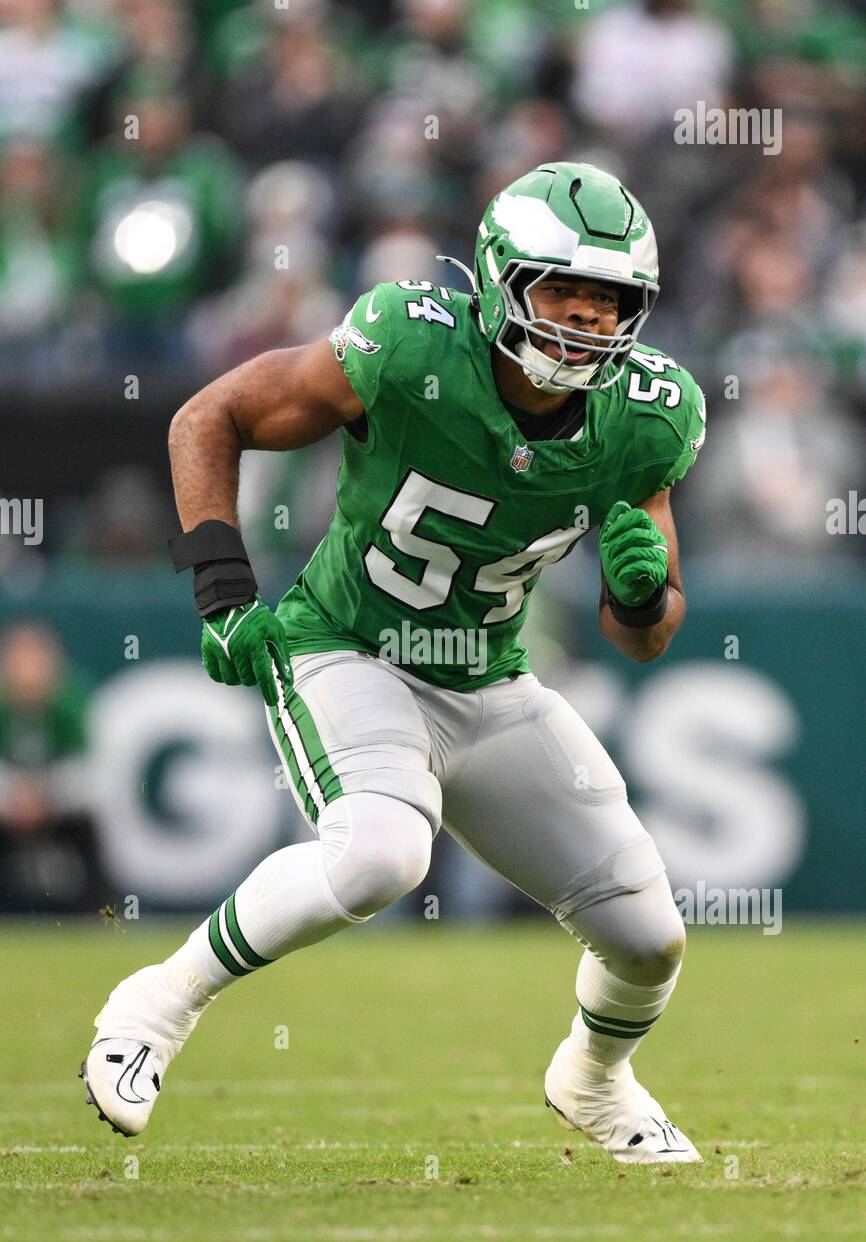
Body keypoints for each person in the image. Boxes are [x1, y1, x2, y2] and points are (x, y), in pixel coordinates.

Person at [82, 162, 707, 1164]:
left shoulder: (648, 412)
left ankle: (593, 1079)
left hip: (491, 678)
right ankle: (157, 1000)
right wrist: (224, 591)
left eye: (609, 301)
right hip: (350, 647)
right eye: (563, 292)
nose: (586, 321)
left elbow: (645, 632)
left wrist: (640, 596)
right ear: (502, 281)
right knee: (379, 853)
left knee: (647, 936)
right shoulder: (408, 341)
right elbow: (209, 417)